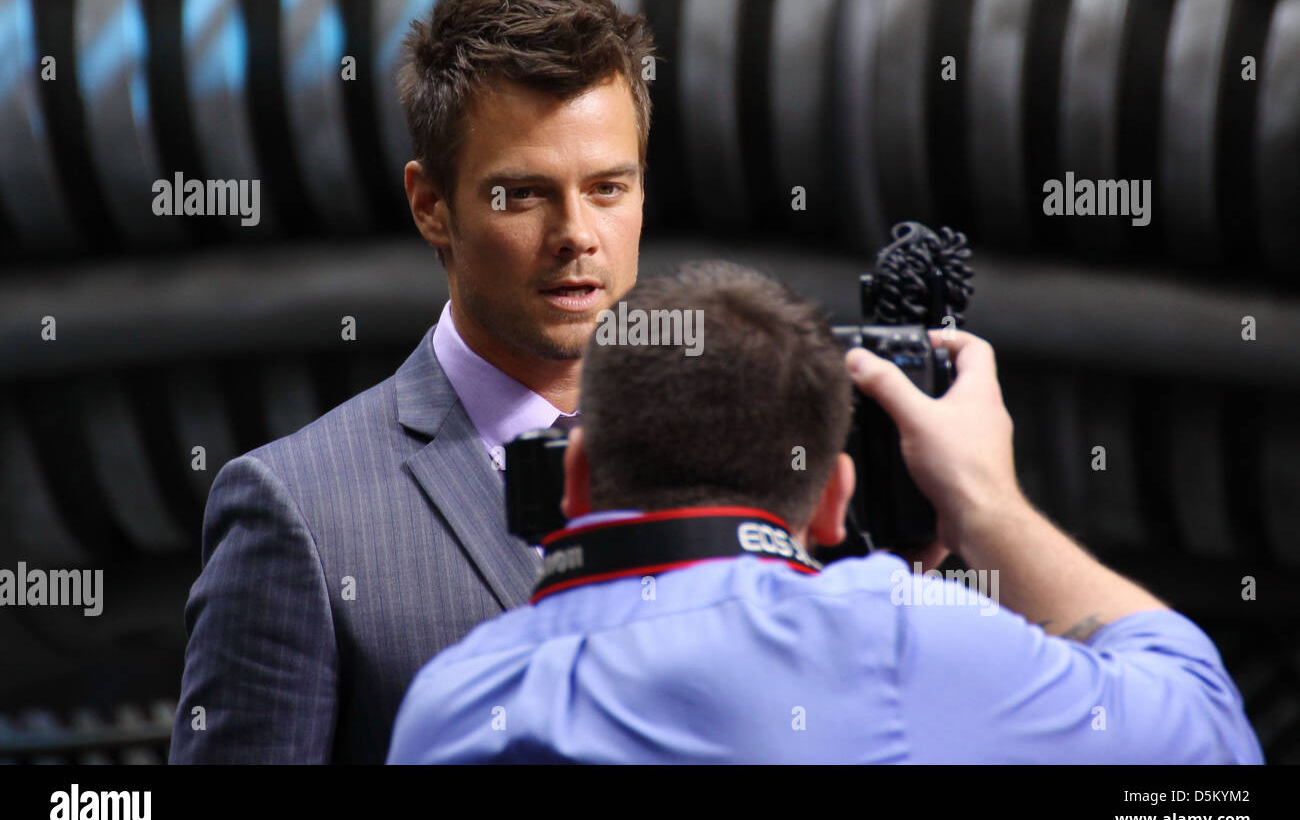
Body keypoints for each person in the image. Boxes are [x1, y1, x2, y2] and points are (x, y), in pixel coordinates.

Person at [386, 261, 1265, 764]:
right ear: (836, 499)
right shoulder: (893, 638)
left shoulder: (453, 701)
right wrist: (985, 501)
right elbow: (1211, 750)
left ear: (572, 480)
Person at [170, 0, 652, 763]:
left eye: (607, 187)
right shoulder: (300, 515)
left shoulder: (731, 470)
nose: (578, 233)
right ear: (431, 204)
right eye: (524, 194)